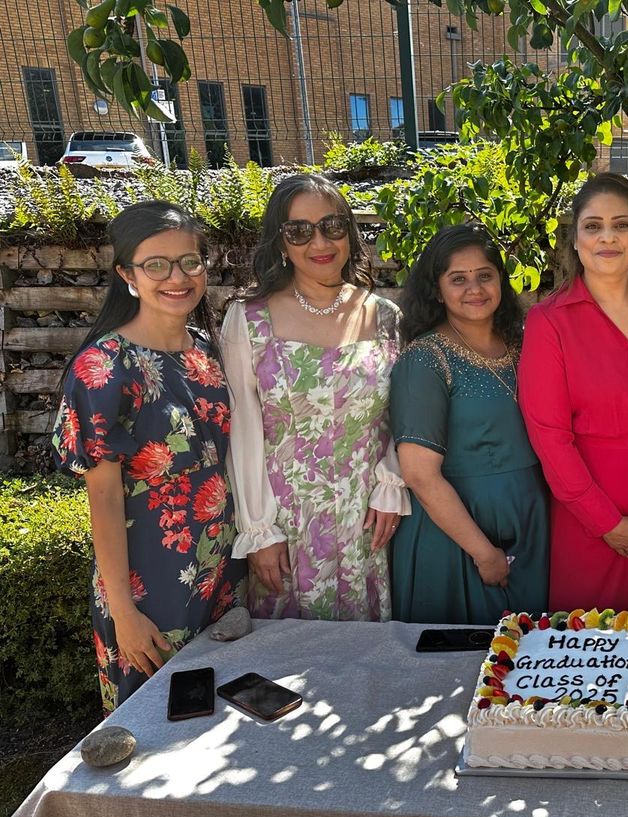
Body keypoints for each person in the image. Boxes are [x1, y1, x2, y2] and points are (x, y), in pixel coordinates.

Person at [52, 201, 246, 714]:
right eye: (155, 264)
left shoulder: (205, 350)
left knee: (222, 723)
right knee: (157, 726)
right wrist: (123, 611)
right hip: (148, 586)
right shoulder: (102, 367)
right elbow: (104, 497)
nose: (176, 277)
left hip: (221, 572)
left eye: (189, 261)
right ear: (126, 274)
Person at [222, 173, 407, 621]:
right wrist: (259, 530)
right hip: (286, 525)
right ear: (280, 242)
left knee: (365, 665)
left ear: (350, 232)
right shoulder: (248, 320)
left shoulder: (385, 318)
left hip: (367, 520)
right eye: (299, 231)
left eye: (332, 226)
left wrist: (390, 484)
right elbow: (243, 428)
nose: (319, 242)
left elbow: (401, 415)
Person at [518, 173, 628, 613]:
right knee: (588, 645)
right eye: (593, 226)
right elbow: (549, 437)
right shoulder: (549, 321)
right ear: (574, 239)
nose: (607, 237)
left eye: (622, 224)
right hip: (588, 508)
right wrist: (605, 521)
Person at [390, 224, 549, 623]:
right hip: (458, 536)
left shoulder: (524, 345)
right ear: (436, 289)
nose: (474, 288)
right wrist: (483, 552)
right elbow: (420, 474)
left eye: (485, 275)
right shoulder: (425, 360)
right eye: (457, 279)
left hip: (530, 522)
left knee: (526, 665)